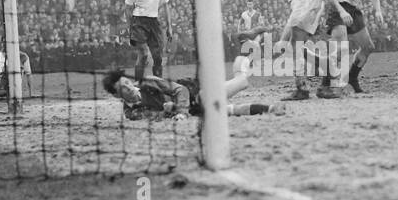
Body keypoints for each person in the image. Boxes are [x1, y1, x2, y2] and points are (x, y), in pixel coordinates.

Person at [102, 57, 282, 120]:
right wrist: (169, 111)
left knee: (238, 84)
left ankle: (239, 70)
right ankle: (270, 109)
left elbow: (180, 90)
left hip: (193, 90)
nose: (129, 87)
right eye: (123, 88)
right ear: (117, 95)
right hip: (191, 109)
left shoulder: (148, 82)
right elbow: (154, 116)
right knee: (222, 111)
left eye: (128, 83)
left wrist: (180, 110)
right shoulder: (131, 113)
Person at [124, 0, 171, 81]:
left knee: (158, 57)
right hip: (138, 23)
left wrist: (169, 27)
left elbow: (166, 6)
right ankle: (138, 84)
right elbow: (127, 9)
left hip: (154, 22)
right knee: (143, 54)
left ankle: (158, 84)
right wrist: (130, 27)